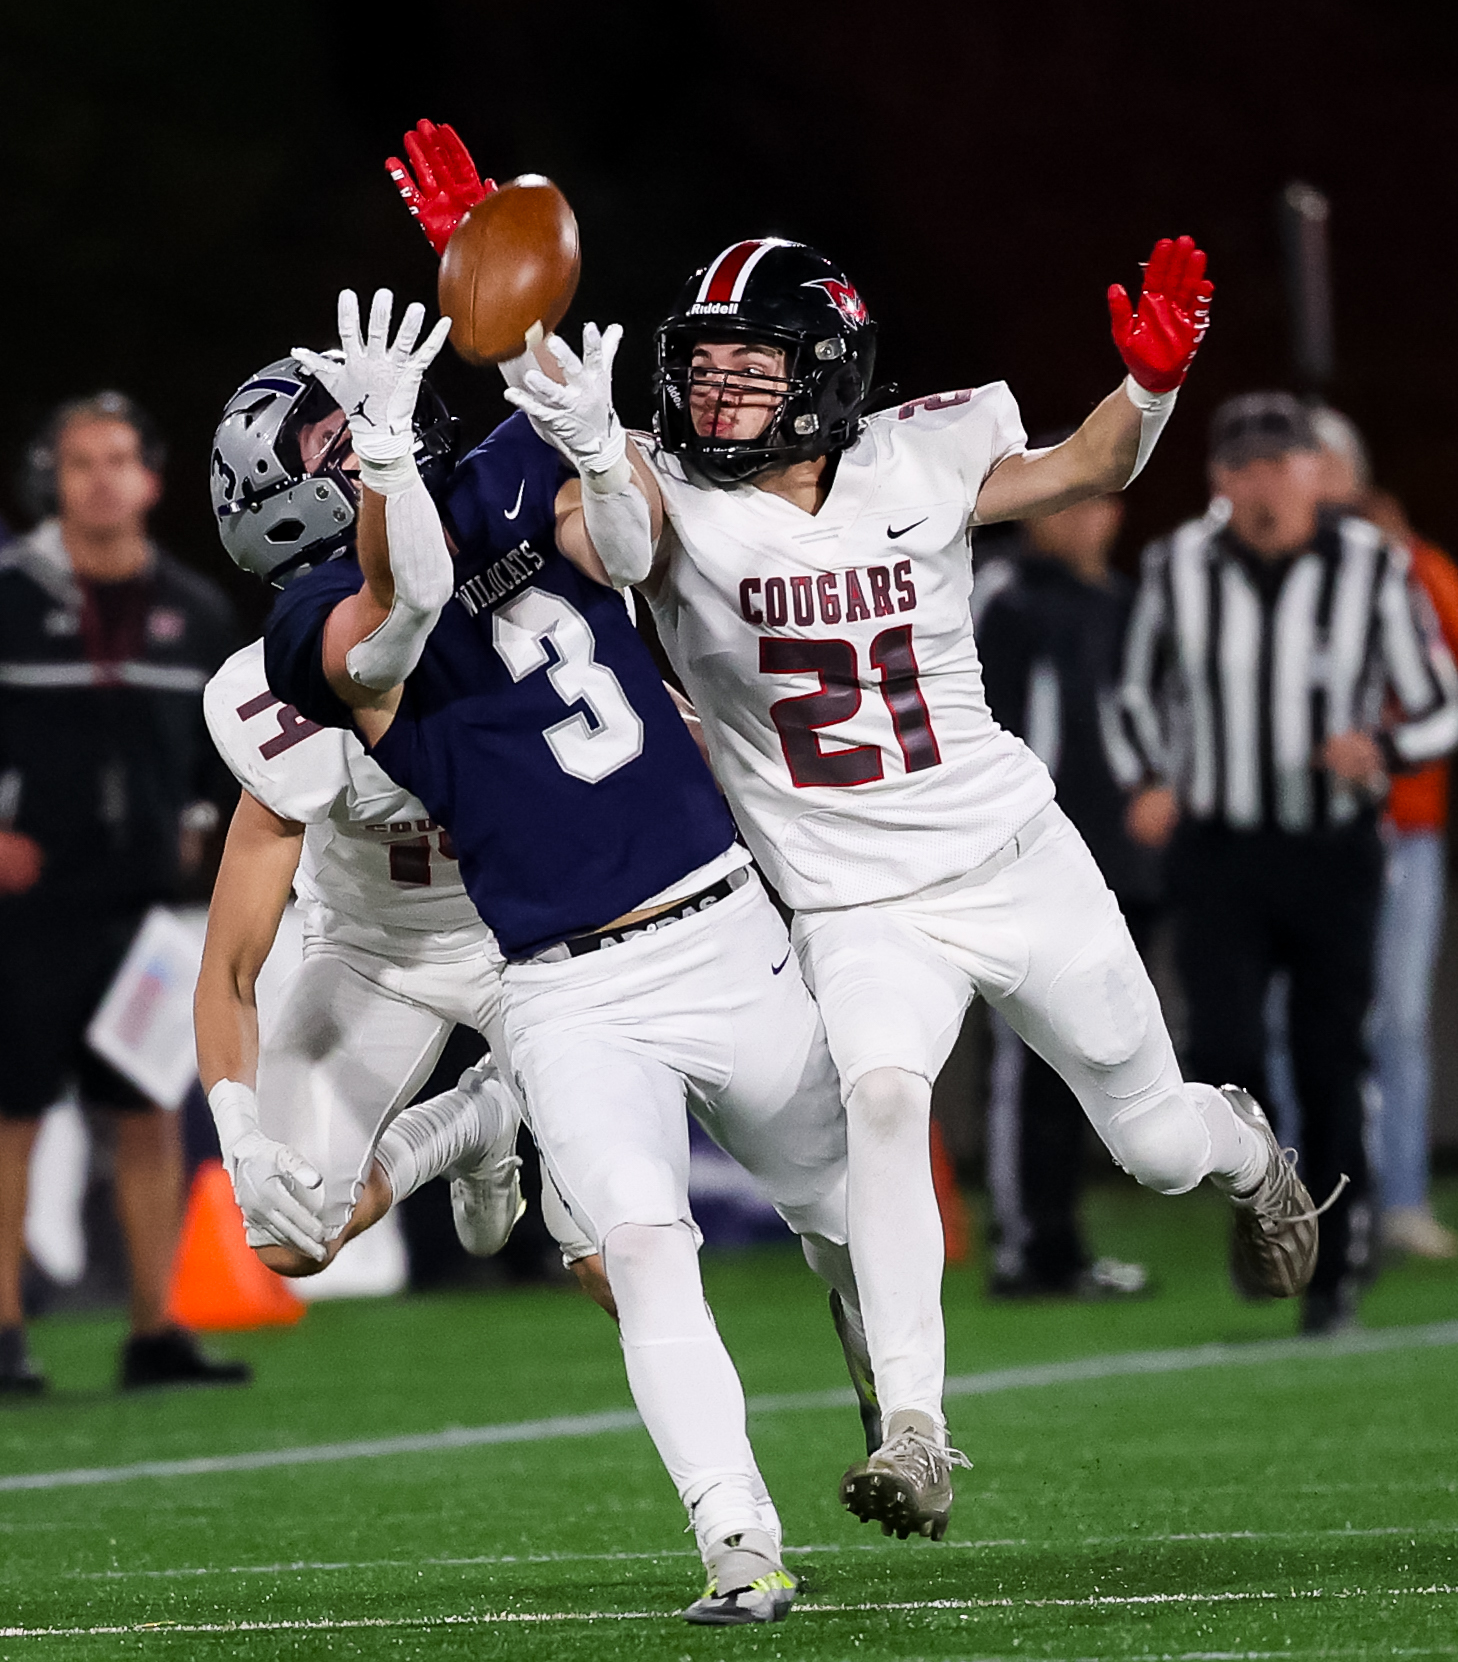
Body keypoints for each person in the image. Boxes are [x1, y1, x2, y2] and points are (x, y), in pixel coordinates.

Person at [496, 220, 1324, 1548]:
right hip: (851, 902)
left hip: (1010, 855)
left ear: (823, 373)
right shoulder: (657, 486)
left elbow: (1089, 463)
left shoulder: (915, 454)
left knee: (1154, 1141)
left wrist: (1153, 385)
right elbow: (606, 507)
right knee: (885, 1100)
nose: (714, 394)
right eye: (702, 366)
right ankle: (914, 1428)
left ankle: (1247, 1147)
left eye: (749, 370)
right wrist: (504, 287)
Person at [260, 288, 864, 1625]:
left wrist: (594, 444)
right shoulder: (301, 627)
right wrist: (383, 459)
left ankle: (900, 1401)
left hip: (719, 917)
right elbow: (406, 606)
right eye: (336, 431)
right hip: (563, 979)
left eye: (371, 408)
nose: (369, 426)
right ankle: (737, 1538)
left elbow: (637, 548)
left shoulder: (514, 465)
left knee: (854, 1223)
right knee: (644, 1244)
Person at [197, 359, 545, 1289]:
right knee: (288, 1234)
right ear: (290, 502)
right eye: (336, 435)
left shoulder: (511, 578)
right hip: (375, 950)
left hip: (540, 937)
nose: (372, 433)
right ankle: (474, 1124)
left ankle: (493, 1111)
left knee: (604, 1259)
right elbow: (230, 964)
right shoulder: (273, 694)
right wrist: (237, 1137)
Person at [1120, 392, 1458, 1332]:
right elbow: (1134, 694)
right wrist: (1150, 775)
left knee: (1330, 1051)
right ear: (1218, 480)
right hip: (1220, 848)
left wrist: (1383, 752)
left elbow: (1440, 701)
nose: (1264, 482)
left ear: (1317, 471)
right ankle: (1268, 1223)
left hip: (1333, 848)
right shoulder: (1176, 565)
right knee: (1226, 1050)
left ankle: (1338, 1264)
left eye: (1281, 462)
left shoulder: (1373, 568)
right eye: (1245, 466)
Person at [0, 392, 246, 1395]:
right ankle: (5, 1333)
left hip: (144, 905)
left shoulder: (194, 607)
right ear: (49, 481)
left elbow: (220, 745)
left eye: (117, 459)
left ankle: (157, 1327)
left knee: (146, 1111)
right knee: (12, 1115)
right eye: (79, 462)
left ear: (150, 478)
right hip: (26, 906)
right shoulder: (7, 595)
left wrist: (197, 824)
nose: (100, 478)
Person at [975, 482, 1162, 1298]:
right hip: (1025, 857)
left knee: (1098, 1051)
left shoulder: (1123, 603)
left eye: (1098, 502)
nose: (1089, 518)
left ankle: (1061, 1239)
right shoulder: (1002, 594)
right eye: (1071, 502)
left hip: (1117, 858)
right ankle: (1027, 1243)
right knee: (1031, 1051)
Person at [1311, 409, 1458, 1260]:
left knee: (1395, 1020)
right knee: (1313, 1020)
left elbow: (1443, 682)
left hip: (1401, 828)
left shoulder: (1406, 567)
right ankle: (1321, 1205)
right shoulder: (1262, 570)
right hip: (1308, 832)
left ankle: (1398, 1197)